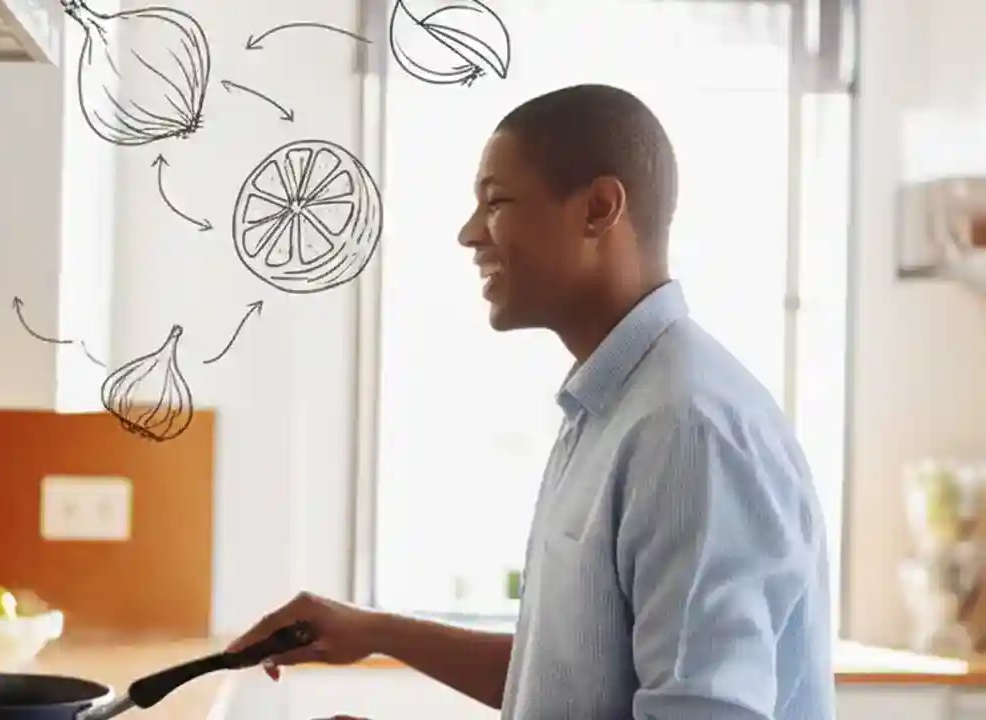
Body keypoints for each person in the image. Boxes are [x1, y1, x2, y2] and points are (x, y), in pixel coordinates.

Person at [226, 84, 835, 720]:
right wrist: (377, 632)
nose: (469, 234)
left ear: (599, 208)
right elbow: (571, 680)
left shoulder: (686, 428)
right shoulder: (612, 408)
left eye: (496, 202)